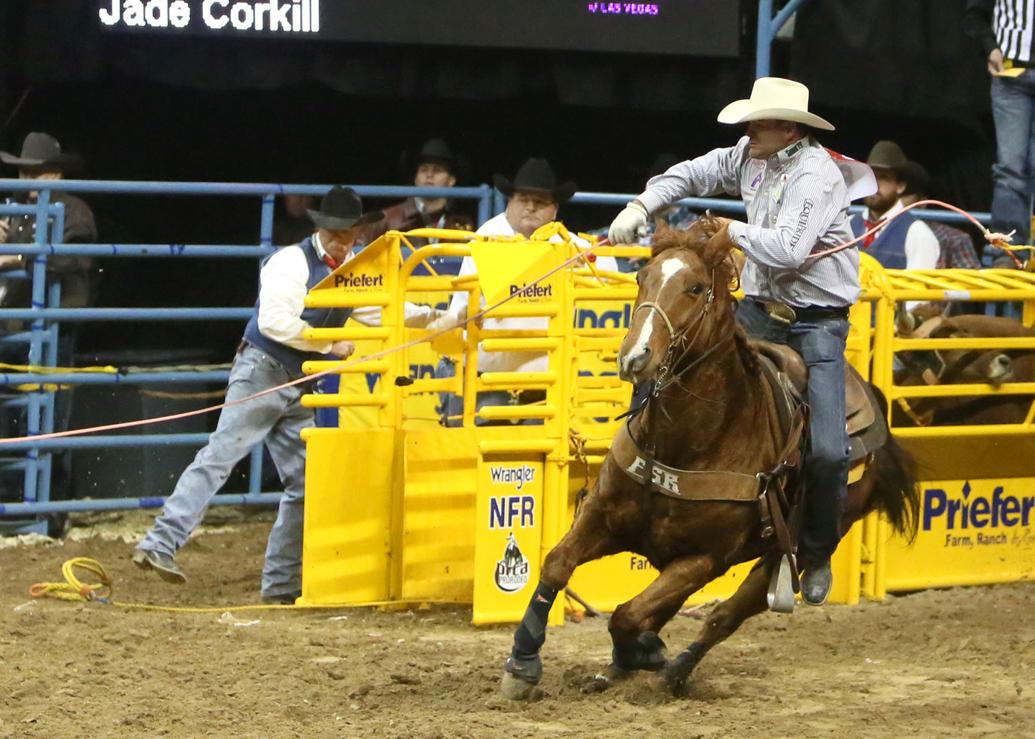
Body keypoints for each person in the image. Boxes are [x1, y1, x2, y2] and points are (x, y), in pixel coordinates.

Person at [609, 77, 869, 606]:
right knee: (672, 364)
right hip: (759, 310)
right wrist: (641, 205)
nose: (749, 131)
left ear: (789, 129)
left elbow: (789, 249)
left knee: (827, 450)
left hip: (817, 322)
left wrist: (732, 231)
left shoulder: (816, 175)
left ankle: (815, 550)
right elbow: (693, 171)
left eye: (758, 123)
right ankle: (639, 473)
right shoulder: (750, 156)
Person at [132, 186, 448, 603]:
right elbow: (274, 322)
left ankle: (280, 585)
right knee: (221, 456)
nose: (341, 241)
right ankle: (161, 542)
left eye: (348, 234)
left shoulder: (352, 270)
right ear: (321, 229)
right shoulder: (290, 262)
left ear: (357, 233)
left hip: (297, 382)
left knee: (304, 480)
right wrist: (328, 344)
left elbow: (385, 311)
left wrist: (442, 318)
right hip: (263, 371)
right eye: (335, 233)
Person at [438, 158, 616, 425]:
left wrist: (587, 262)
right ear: (510, 203)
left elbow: (608, 268)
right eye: (523, 199)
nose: (530, 207)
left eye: (540, 202)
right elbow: (465, 308)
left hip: (543, 381)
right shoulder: (488, 238)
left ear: (555, 209)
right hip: (484, 375)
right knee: (478, 439)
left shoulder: (564, 242)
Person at [964, 1, 1035, 266]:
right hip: (1010, 75)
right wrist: (990, 47)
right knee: (1010, 168)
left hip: (1011, 78)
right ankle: (1008, 250)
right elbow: (975, 14)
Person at [0, 132, 97, 310]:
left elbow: (75, 258)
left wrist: (20, 259)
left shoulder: (74, 210)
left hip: (54, 314)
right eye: (23, 172)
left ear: (55, 174)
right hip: (13, 313)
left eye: (35, 173)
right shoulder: (13, 208)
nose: (27, 179)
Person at [365, 138, 474, 247]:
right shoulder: (387, 219)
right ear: (415, 178)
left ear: (451, 180)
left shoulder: (463, 224)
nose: (429, 175)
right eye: (424, 170)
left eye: (437, 170)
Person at [849, 141, 940, 271]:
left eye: (884, 177)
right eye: (870, 176)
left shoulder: (918, 234)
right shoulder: (847, 225)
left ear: (900, 186)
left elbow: (916, 283)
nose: (874, 183)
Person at [899, 162, 982, 270]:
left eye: (902, 195)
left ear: (922, 202)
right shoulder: (877, 232)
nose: (895, 201)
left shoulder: (953, 239)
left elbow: (969, 279)